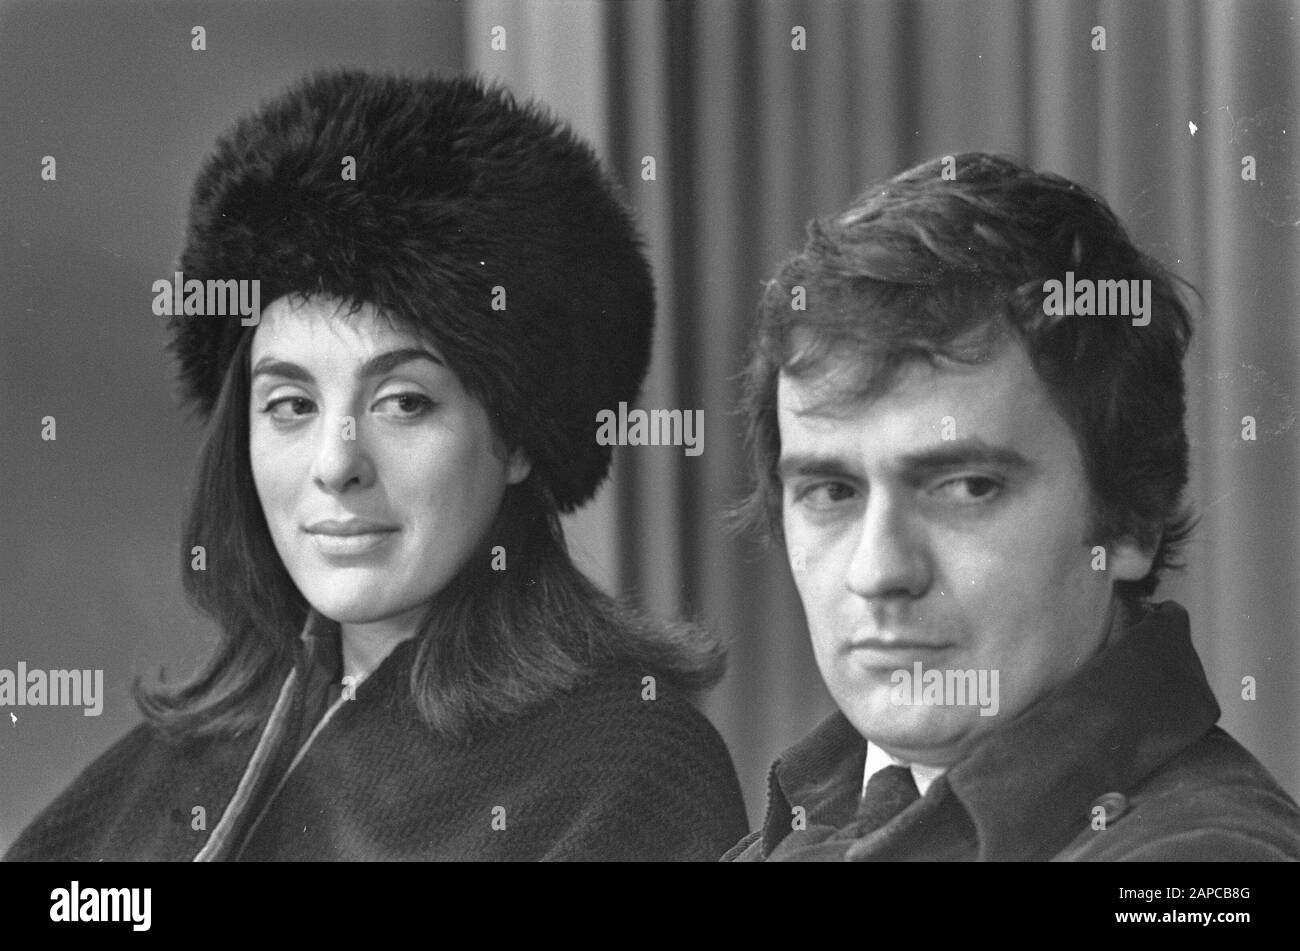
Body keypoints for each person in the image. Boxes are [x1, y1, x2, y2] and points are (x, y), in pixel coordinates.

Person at [6, 70, 747, 862]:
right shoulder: (164, 770)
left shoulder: (630, 770)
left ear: (522, 437)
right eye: (290, 404)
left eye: (403, 402)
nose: (336, 464)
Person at [726, 152, 1300, 861]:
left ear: (1130, 518)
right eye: (833, 492)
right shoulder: (797, 833)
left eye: (967, 486)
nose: (879, 570)